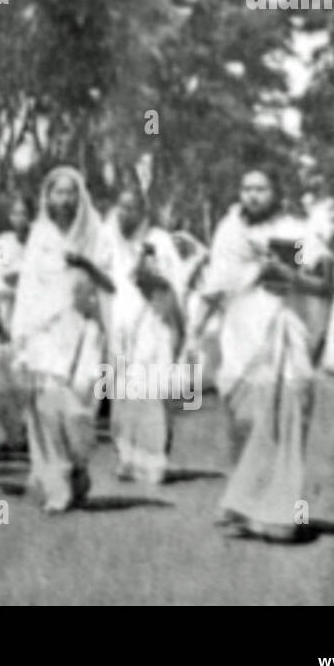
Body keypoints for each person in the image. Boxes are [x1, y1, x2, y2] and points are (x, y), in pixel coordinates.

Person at [190, 166, 332, 544]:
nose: (252, 195)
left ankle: (277, 513)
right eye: (246, 187)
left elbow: (322, 283)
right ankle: (245, 502)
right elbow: (215, 286)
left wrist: (288, 274)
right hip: (239, 337)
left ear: (278, 193)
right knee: (246, 422)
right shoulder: (229, 231)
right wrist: (193, 332)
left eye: (261, 188)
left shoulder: (293, 233)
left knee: (283, 419)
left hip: (283, 331)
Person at [10, 166, 114, 512]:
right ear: (48, 197)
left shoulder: (96, 232)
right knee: (48, 409)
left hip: (86, 330)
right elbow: (26, 290)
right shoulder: (39, 235)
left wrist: (86, 264)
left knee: (80, 412)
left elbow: (113, 284)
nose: (65, 199)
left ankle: (79, 466)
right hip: (45, 335)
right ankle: (57, 484)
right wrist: (21, 338)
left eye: (71, 192)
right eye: (58, 192)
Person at [102, 186, 185, 485]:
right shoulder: (108, 238)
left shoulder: (159, 240)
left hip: (153, 322)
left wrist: (153, 278)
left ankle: (153, 462)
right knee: (123, 393)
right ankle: (127, 458)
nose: (126, 214)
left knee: (150, 390)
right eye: (121, 207)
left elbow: (176, 281)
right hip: (121, 324)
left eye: (133, 209)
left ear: (144, 212)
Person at [0, 192, 34, 452]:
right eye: (15, 213)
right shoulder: (3, 243)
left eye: (24, 213)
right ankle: (13, 433)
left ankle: (30, 429)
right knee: (2, 375)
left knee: (25, 375)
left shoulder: (39, 242)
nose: (19, 219)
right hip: (6, 314)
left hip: (31, 317)